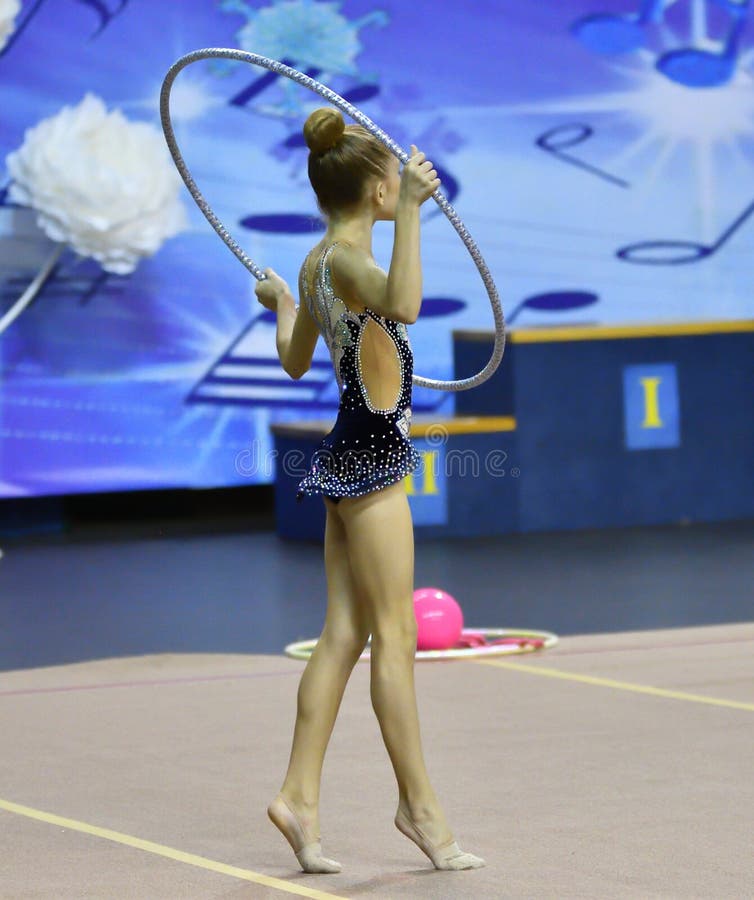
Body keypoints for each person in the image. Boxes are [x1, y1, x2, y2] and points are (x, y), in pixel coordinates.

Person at [255, 106, 485, 874]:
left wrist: (283, 303)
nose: (403, 189)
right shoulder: (352, 263)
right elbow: (407, 304)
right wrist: (420, 214)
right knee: (396, 638)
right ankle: (420, 812)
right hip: (376, 468)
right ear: (380, 193)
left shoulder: (319, 263)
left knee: (345, 634)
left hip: (345, 458)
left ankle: (298, 797)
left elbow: (294, 360)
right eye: (398, 183)